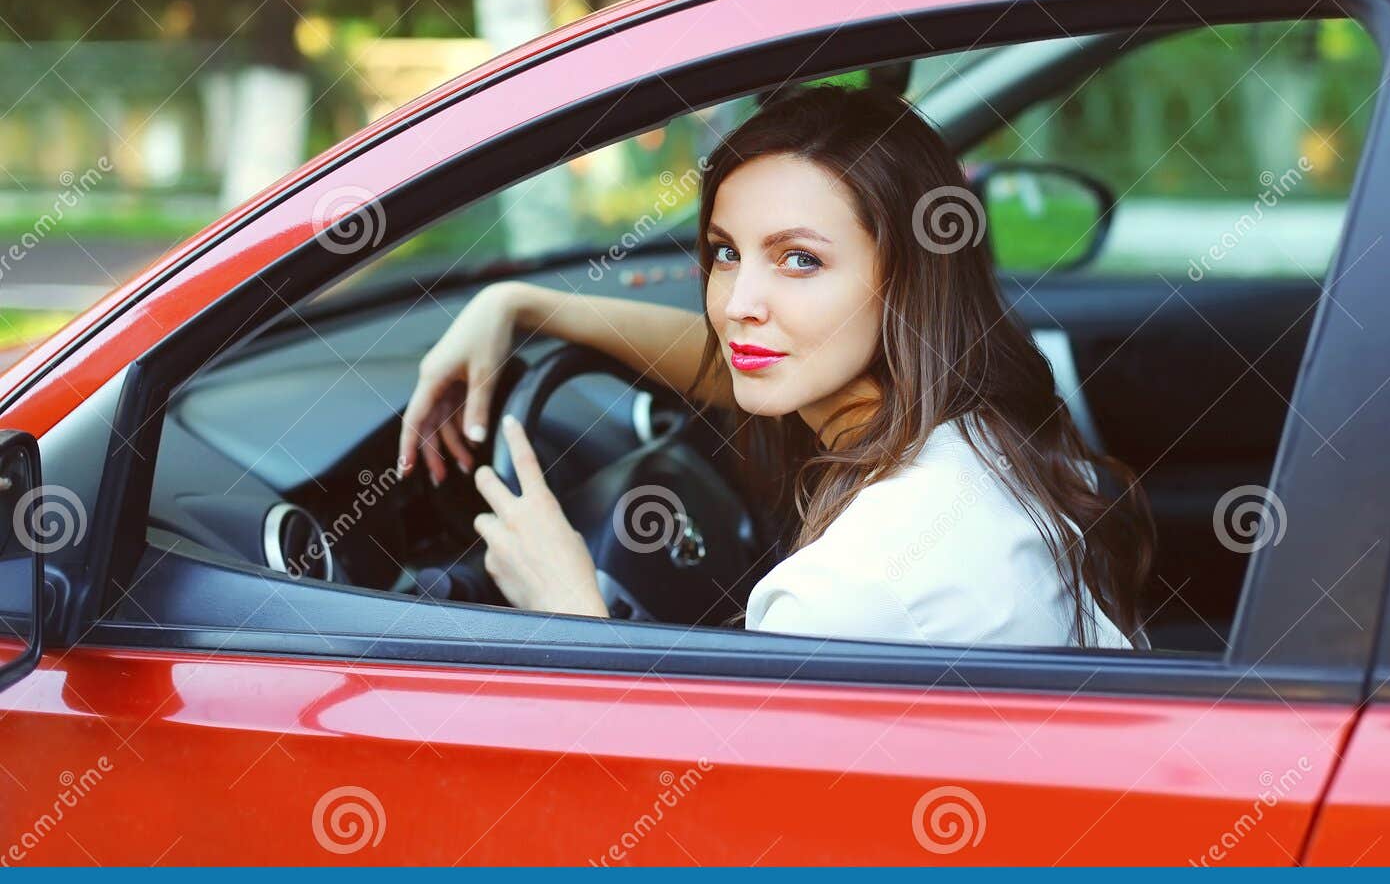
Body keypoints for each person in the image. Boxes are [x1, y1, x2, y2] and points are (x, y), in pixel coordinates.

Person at [397, 83, 1154, 649]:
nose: (737, 305)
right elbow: (737, 366)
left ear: (907, 281)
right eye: (726, 252)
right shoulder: (976, 423)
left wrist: (571, 613)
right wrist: (521, 304)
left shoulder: (849, 592)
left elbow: (713, 841)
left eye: (799, 259)